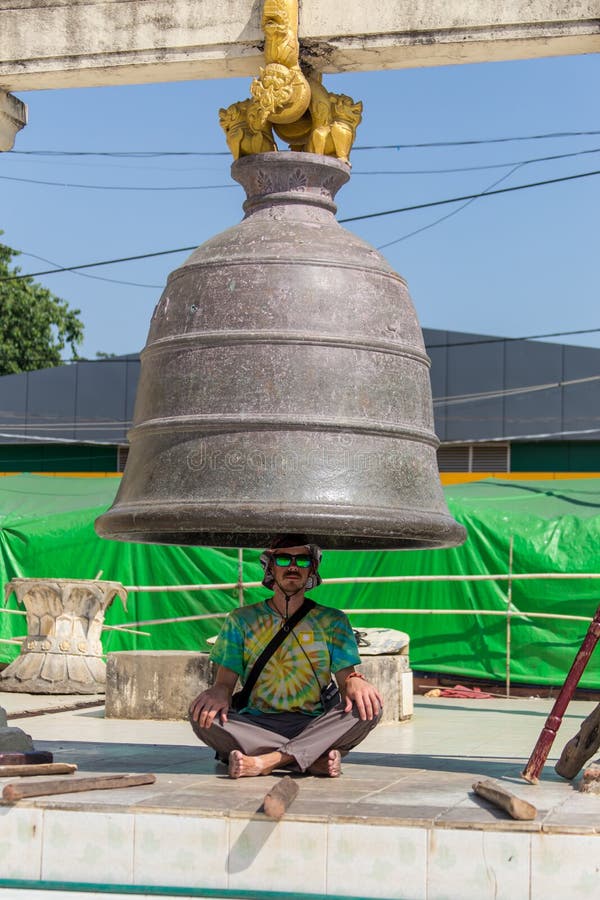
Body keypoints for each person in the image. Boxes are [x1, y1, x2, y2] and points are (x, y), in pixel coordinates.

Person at [189, 534, 383, 778]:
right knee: (201, 715)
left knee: (369, 709)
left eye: (302, 561)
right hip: (256, 724)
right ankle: (309, 759)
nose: (292, 567)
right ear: (270, 567)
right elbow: (224, 685)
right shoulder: (241, 620)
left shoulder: (333, 621)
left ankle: (266, 761)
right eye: (283, 559)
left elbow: (347, 683)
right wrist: (218, 692)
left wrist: (355, 681)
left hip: (313, 723)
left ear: (312, 569)